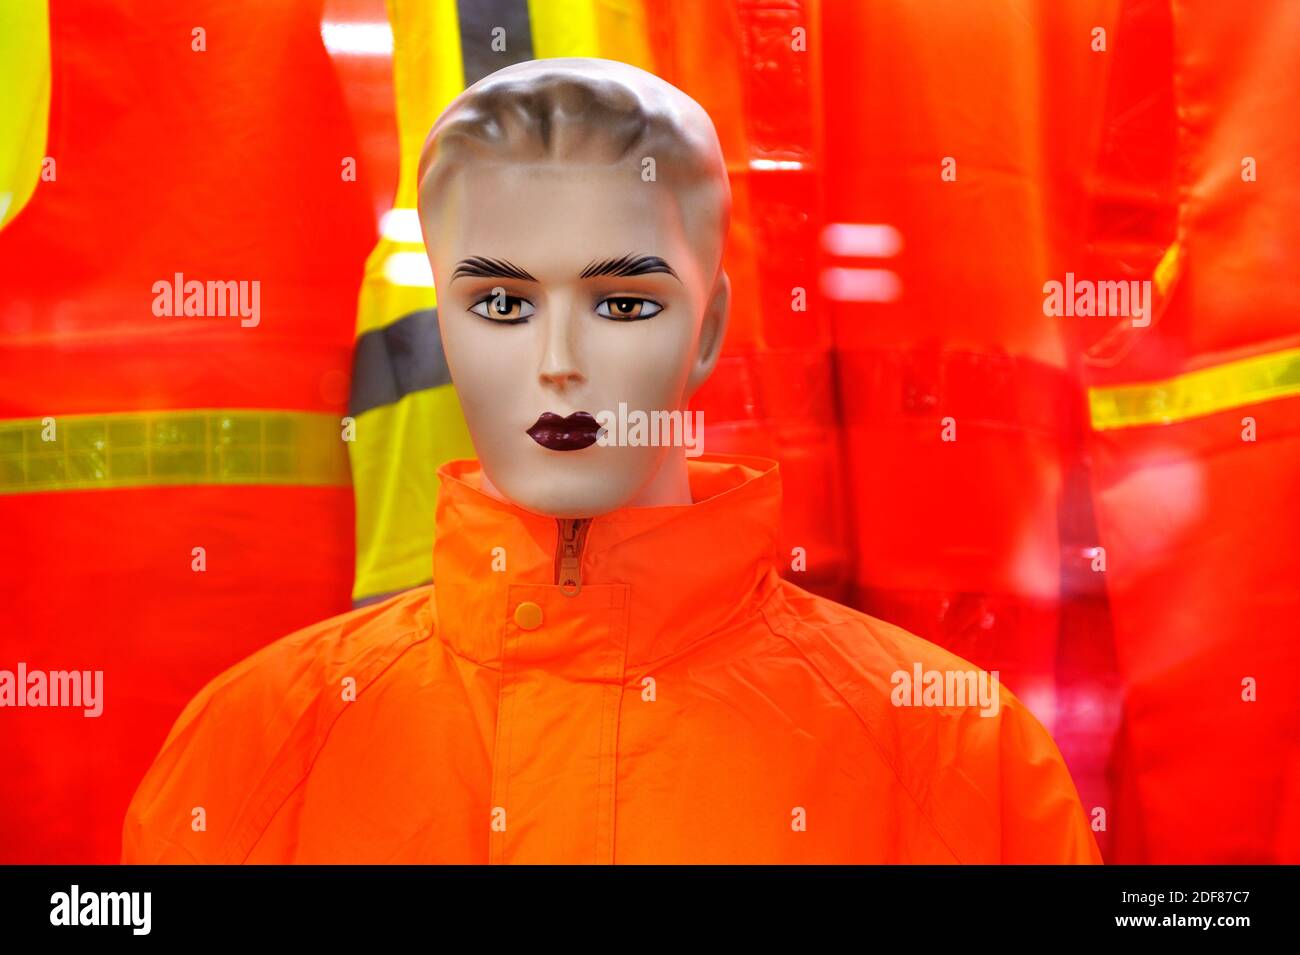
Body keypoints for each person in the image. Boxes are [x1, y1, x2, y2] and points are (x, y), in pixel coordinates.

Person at [121, 58, 1101, 864]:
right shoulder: (253, 747)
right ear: (444, 329)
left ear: (707, 328)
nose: (558, 364)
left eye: (622, 302)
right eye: (501, 304)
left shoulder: (952, 753)